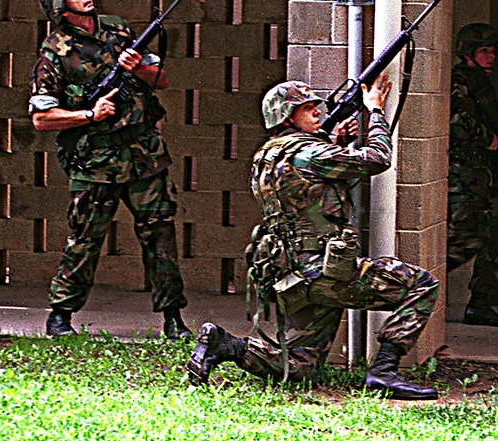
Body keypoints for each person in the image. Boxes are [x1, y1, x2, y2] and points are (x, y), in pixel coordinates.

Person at [186, 78, 440, 400]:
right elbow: (377, 158)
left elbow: (308, 192)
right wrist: (375, 111)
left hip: (292, 275)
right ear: (288, 117)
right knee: (421, 284)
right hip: (325, 272)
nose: (317, 112)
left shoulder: (267, 156)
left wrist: (334, 141)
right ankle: (384, 372)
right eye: (307, 108)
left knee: (299, 366)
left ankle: (226, 344)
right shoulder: (311, 153)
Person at [29, 0, 190, 339]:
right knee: (84, 239)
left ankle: (172, 318)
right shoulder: (54, 51)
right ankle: (60, 315)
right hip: (95, 161)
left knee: (160, 237)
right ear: (60, 7)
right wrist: (89, 114)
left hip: (144, 155)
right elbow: (41, 118)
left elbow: (160, 80)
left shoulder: (118, 29)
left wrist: (140, 68)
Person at [447, 23, 498, 327]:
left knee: (495, 237)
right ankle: (414, 287)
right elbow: (455, 120)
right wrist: (487, 138)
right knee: (465, 238)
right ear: (468, 53)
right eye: (484, 51)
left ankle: (480, 303)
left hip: (483, 174)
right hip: (464, 175)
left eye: (493, 51)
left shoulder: (480, 83)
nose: (491, 57)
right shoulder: (460, 80)